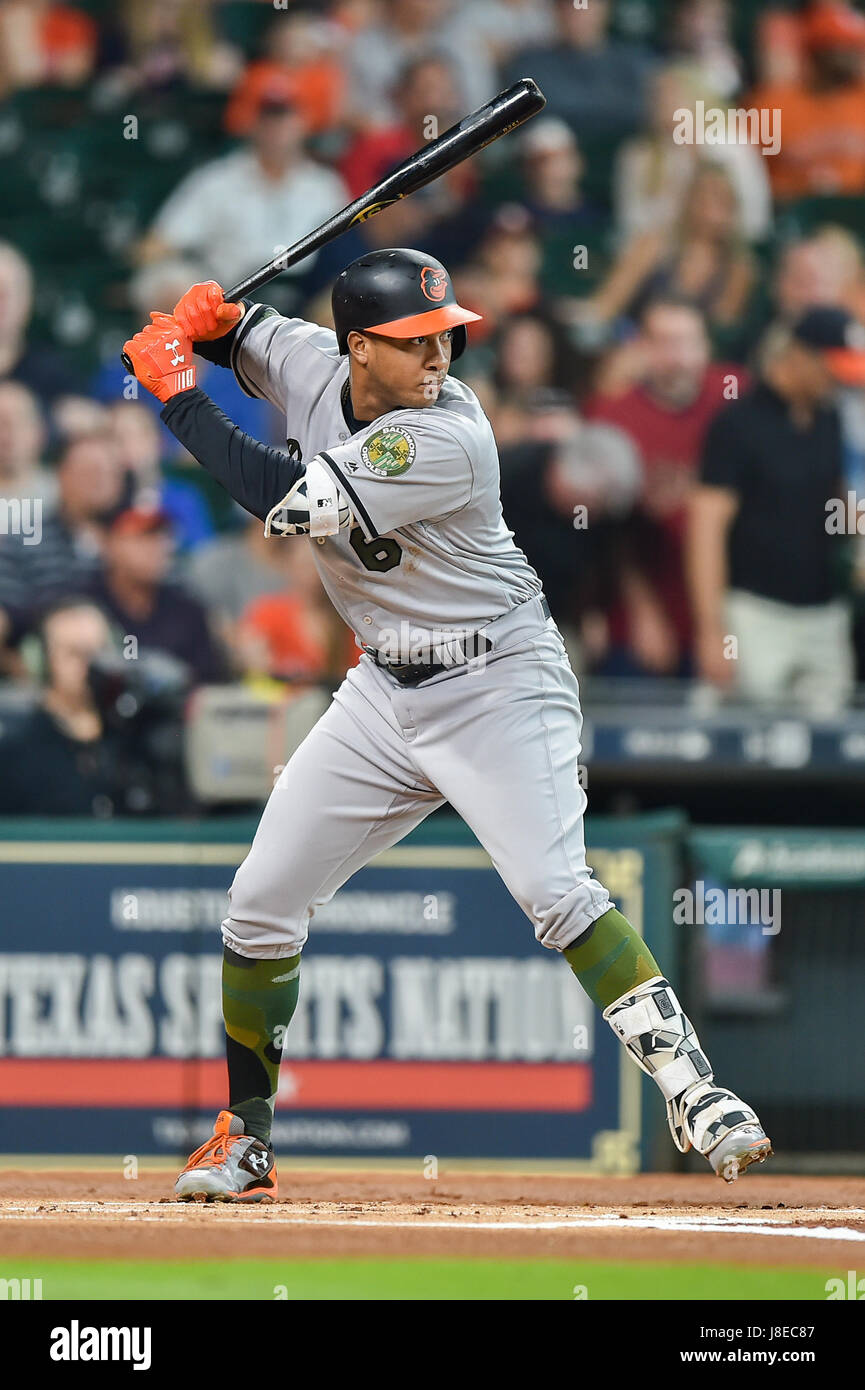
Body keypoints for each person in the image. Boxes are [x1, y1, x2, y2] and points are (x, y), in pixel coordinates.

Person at [123, 253, 772, 1202]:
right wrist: (207, 322)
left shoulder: (449, 433)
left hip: (498, 679)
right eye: (415, 340)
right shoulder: (307, 356)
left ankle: (695, 1092)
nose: (440, 353)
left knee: (554, 889)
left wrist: (178, 395)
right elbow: (245, 332)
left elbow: (283, 501)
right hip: (384, 689)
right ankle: (245, 1140)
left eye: (446, 335)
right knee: (259, 902)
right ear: (355, 347)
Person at [686, 307, 865, 714]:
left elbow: (835, 499)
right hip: (755, 614)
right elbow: (706, 529)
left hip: (824, 614)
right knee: (749, 746)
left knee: (827, 750)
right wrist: (712, 631)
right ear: (799, 355)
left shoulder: (830, 418)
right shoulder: (737, 423)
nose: (838, 381)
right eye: (831, 368)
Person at [586, 297, 747, 674]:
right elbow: (604, 532)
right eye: (663, 343)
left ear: (706, 346)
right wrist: (642, 610)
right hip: (642, 609)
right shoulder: (612, 414)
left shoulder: (734, 393)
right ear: (640, 348)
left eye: (687, 342)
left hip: (733, 604)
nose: (677, 357)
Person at [136, 75, 348, 294]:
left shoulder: (325, 185)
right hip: (231, 301)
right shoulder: (217, 179)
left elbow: (347, 249)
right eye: (269, 119)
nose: (277, 129)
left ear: (303, 123)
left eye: (285, 117)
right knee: (168, 282)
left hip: (306, 299)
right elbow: (160, 241)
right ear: (253, 124)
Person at [0, 599, 118, 816]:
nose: (90, 665)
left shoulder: (132, 737)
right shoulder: (14, 750)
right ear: (42, 661)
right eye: (74, 653)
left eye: (98, 651)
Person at [87, 506, 227, 687]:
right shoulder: (86, 608)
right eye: (143, 537)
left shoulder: (188, 612)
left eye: (162, 536)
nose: (157, 547)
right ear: (109, 544)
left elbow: (208, 687)